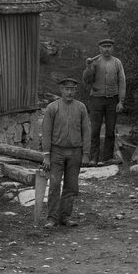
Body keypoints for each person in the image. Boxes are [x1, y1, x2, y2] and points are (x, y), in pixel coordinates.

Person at [41, 77, 90, 229]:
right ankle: (52, 219)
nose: (69, 92)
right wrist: (46, 155)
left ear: (76, 91)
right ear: (61, 90)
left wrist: (86, 154)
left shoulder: (81, 108)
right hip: (57, 151)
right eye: (66, 89)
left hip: (75, 152)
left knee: (71, 186)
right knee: (55, 185)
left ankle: (65, 217)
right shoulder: (52, 108)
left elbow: (86, 131)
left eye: (72, 89)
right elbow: (46, 131)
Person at [81, 37, 126, 166]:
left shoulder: (117, 62)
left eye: (109, 47)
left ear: (112, 48)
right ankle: (93, 158)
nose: (107, 49)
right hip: (97, 99)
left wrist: (121, 101)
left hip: (113, 100)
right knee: (95, 130)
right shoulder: (94, 62)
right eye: (104, 47)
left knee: (110, 130)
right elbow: (87, 81)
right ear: (100, 49)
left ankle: (107, 158)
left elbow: (122, 81)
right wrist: (88, 67)